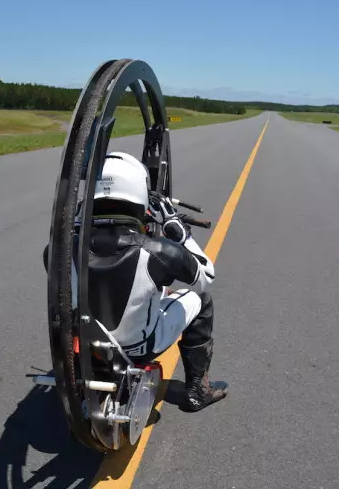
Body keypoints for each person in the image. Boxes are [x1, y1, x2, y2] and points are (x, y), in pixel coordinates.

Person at [43, 151, 227, 412]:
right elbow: (205, 277)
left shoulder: (56, 252)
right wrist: (177, 228)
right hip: (140, 348)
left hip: (88, 347)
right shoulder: (159, 251)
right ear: (138, 192)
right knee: (201, 301)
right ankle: (198, 389)